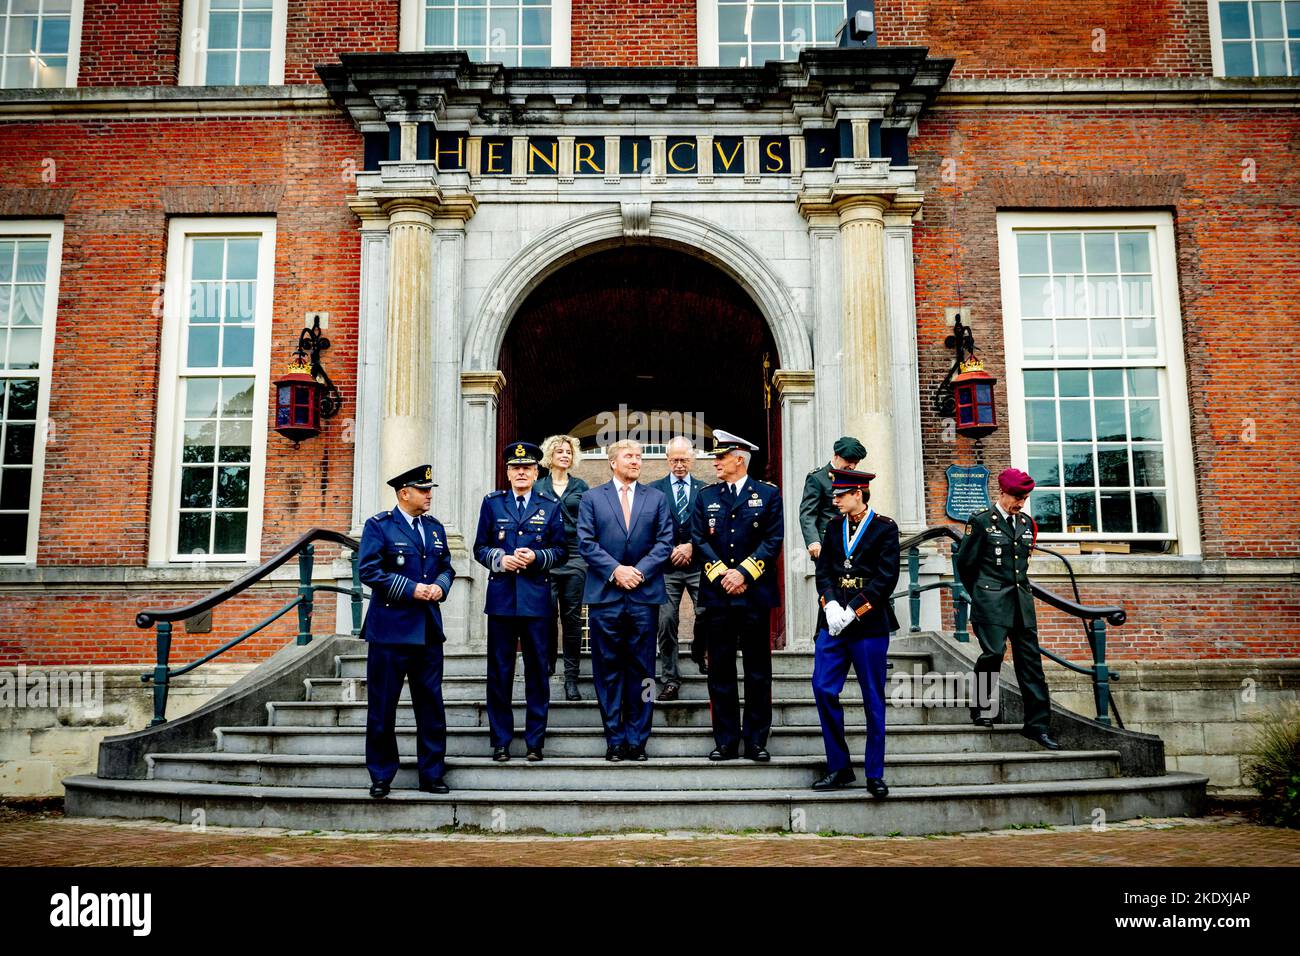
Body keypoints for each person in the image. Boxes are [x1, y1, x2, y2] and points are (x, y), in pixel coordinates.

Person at [357, 464, 455, 798]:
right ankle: (381, 775)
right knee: (382, 708)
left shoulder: (435, 528)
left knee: (431, 707)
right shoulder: (379, 526)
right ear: (404, 493)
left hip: (427, 631)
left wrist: (441, 586)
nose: (429, 495)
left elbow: (446, 567)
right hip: (390, 632)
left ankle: (432, 773)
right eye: (423, 490)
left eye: (430, 490)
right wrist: (412, 589)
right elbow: (369, 571)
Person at [577, 439, 674, 761]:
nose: (636, 461)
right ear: (612, 461)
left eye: (639, 457)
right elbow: (586, 543)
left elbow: (665, 542)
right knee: (607, 670)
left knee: (644, 670)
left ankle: (638, 739)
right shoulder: (592, 498)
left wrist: (639, 573)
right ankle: (615, 739)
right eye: (629, 456)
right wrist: (616, 571)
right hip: (606, 596)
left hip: (644, 596)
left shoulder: (656, 498)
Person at [690, 430, 783, 762]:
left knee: (758, 671)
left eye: (721, 457)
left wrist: (743, 573)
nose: (716, 463)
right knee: (720, 671)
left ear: (739, 459)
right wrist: (723, 574)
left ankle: (756, 740)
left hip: (755, 595)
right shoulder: (705, 496)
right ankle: (726, 740)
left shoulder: (768, 494)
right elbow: (698, 539)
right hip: (718, 596)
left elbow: (773, 539)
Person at [472, 441, 567, 762]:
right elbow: (480, 547)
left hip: (537, 600)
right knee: (500, 672)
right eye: (515, 468)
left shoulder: (549, 505)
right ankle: (501, 741)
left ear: (537, 472)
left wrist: (537, 557)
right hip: (501, 599)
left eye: (527, 468)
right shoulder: (492, 504)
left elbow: (561, 550)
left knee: (537, 673)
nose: (521, 472)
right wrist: (500, 559)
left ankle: (534, 742)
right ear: (508, 472)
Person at [809, 468, 900, 797]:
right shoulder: (834, 527)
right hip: (833, 625)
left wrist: (854, 610)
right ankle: (839, 766)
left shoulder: (885, 528)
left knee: (872, 698)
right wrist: (831, 605)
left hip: (868, 627)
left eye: (841, 495)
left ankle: (874, 773)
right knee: (822, 687)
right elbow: (824, 572)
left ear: (858, 494)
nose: (835, 500)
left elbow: (886, 578)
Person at [955, 467, 1059, 750]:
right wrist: (982, 594)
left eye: (1024, 498)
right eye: (1016, 497)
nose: (1020, 503)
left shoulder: (1026, 523)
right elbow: (965, 564)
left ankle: (1038, 726)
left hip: (1021, 602)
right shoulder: (980, 522)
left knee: (1031, 664)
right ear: (1001, 493)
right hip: (990, 601)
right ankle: (982, 709)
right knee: (993, 654)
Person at [536, 434, 590, 701]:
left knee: (572, 619)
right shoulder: (538, 486)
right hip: (547, 556)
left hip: (575, 556)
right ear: (550, 456)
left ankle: (571, 678)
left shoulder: (581, 486)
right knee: (546, 613)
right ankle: (548, 663)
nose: (565, 455)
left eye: (568, 452)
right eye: (559, 451)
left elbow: (590, 520)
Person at [648, 436, 701, 701]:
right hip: (666, 568)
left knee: (708, 614)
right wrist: (668, 549)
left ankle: (701, 651)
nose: (679, 465)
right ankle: (670, 679)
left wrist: (691, 546)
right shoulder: (653, 491)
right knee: (666, 621)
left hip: (698, 565)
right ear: (667, 460)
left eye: (684, 460)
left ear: (692, 459)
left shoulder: (705, 490)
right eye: (674, 460)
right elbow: (648, 529)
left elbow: (711, 529)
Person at [799, 436, 867, 562]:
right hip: (828, 544)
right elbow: (808, 514)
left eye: (856, 463)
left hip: (853, 543)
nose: (852, 466)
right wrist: (813, 541)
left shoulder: (854, 478)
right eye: (849, 461)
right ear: (836, 456)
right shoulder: (818, 478)